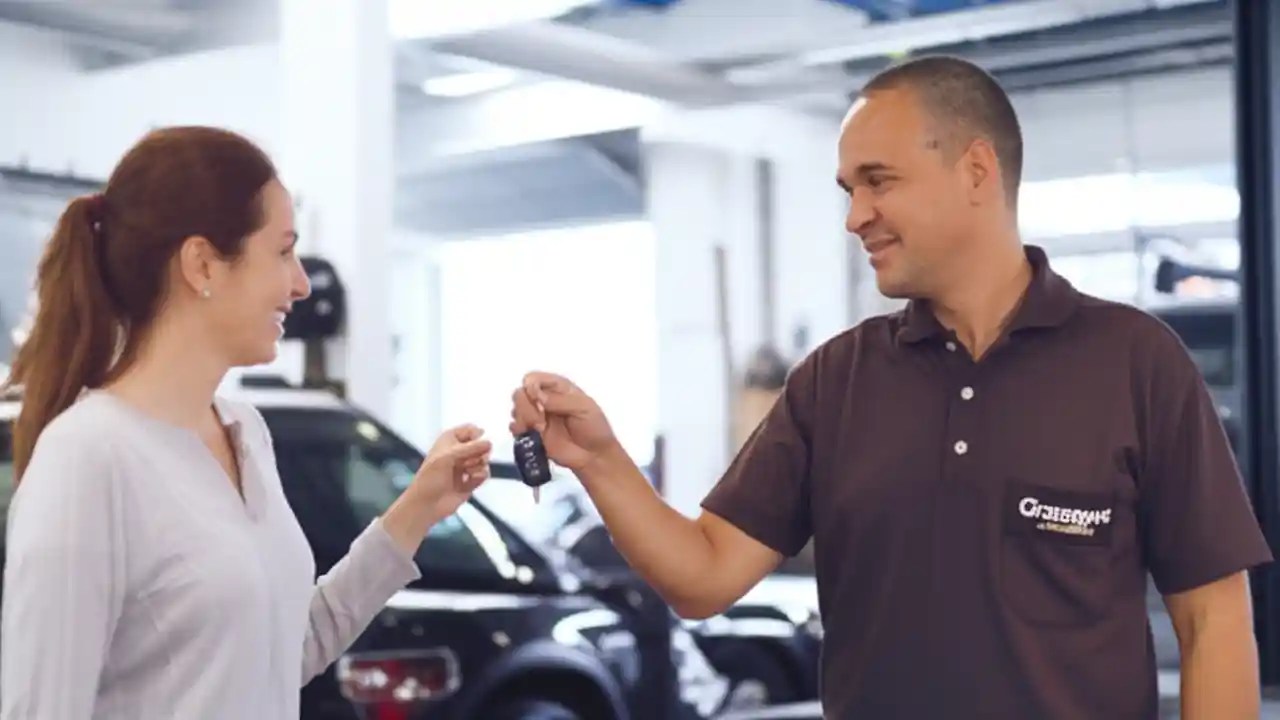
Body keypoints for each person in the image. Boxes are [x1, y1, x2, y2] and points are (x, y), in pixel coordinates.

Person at [511, 56, 1273, 718]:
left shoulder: (1136, 363)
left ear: (977, 171)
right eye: (848, 188)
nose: (854, 216)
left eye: (878, 182)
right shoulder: (836, 380)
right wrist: (602, 461)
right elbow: (703, 577)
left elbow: (1211, 620)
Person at [0, 126, 493, 719]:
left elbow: (282, 654)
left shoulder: (246, 433)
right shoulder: (88, 456)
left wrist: (418, 507)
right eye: (283, 251)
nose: (302, 283)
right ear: (203, 263)